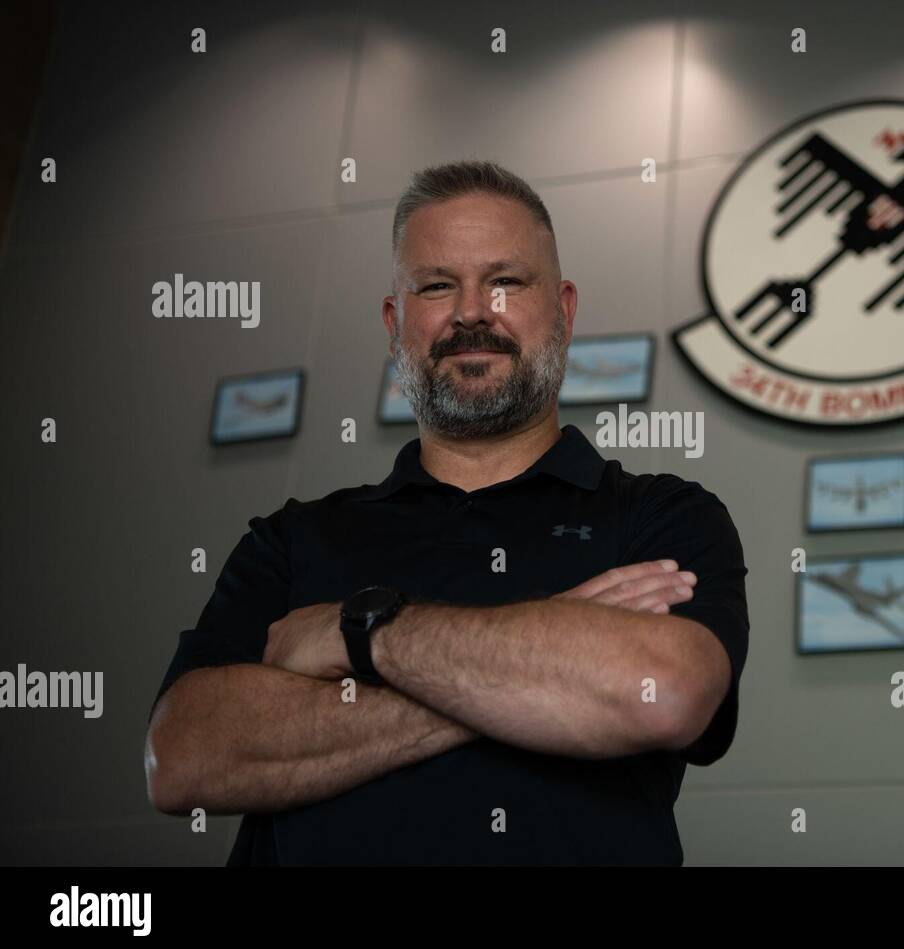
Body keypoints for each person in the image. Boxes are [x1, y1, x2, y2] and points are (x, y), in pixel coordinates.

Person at [144, 160, 749, 865]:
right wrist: (548, 652)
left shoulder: (661, 516)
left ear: (564, 309)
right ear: (395, 322)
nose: (470, 312)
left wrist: (362, 635)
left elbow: (664, 694)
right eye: (436, 285)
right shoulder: (292, 539)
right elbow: (183, 758)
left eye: (505, 282)